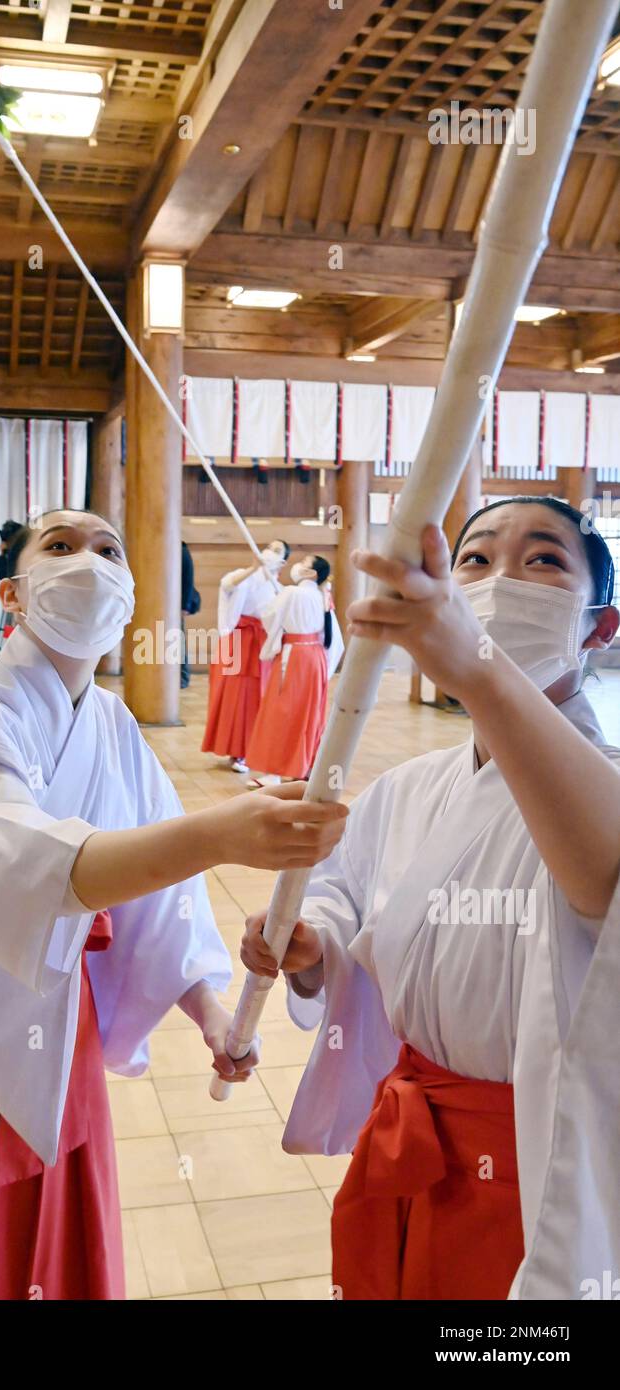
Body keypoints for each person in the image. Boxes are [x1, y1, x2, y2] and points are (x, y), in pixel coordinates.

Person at [0, 507, 346, 1302]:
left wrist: (211, 1013)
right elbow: (3, 851)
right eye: (60, 547)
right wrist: (217, 835)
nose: (88, 562)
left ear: (128, 593)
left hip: (62, 1032)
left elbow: (158, 898)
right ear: (11, 593)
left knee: (47, 1254)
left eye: (107, 550)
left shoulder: (113, 724)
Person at [241, 497, 620, 1301]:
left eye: (544, 559)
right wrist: (316, 948)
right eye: (475, 559)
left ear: (600, 625)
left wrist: (478, 667)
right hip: (416, 1139)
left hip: (542, 1160)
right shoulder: (413, 788)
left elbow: (605, 883)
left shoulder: (603, 789)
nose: (498, 580)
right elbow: (349, 901)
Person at [244, 554, 344, 784]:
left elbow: (268, 616)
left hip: (295, 656)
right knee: (308, 714)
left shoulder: (292, 593)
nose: (297, 566)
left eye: (304, 563)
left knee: (282, 711)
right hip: (315, 658)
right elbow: (334, 640)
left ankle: (275, 772)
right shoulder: (323, 597)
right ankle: (306, 765)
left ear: (311, 573)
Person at [202, 540, 288, 774]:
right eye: (269, 547)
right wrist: (252, 568)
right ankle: (236, 751)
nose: (271, 552)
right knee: (235, 696)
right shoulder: (244, 575)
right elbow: (227, 585)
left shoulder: (278, 587)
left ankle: (253, 750)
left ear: (283, 562)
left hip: (262, 644)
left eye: (277, 551)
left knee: (257, 698)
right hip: (239, 640)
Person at [0, 520, 23, 647]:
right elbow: (2, 576)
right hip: (13, 598)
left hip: (20, 598)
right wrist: (3, 555)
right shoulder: (7, 555)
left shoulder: (22, 555)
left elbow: (8, 575)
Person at [180, 540, 201, 689]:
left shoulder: (181, 550)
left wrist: (184, 606)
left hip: (177, 606)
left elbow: (188, 579)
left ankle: (183, 678)